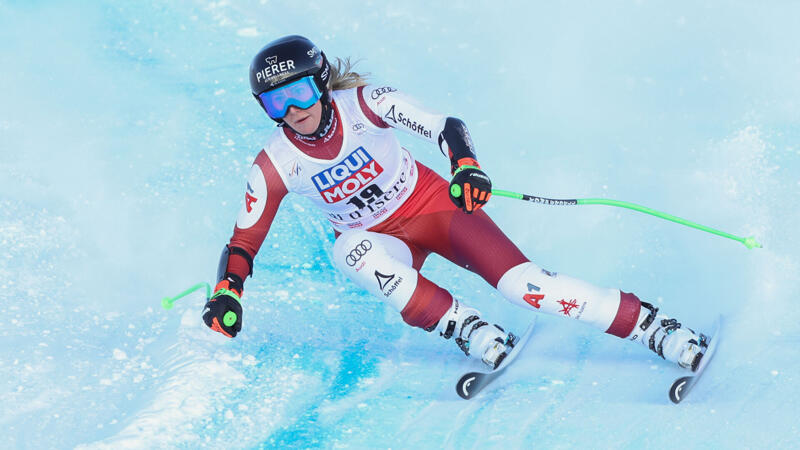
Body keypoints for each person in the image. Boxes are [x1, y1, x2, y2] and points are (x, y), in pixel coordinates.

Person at [202, 35, 708, 371]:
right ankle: (462, 325)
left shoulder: (368, 104)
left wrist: (464, 165)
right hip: (376, 240)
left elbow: (446, 127)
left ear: (321, 84)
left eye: (301, 95)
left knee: (526, 287)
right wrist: (229, 290)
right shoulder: (274, 163)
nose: (293, 112)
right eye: (275, 103)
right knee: (349, 251)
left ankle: (650, 325)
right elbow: (245, 238)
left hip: (433, 209)